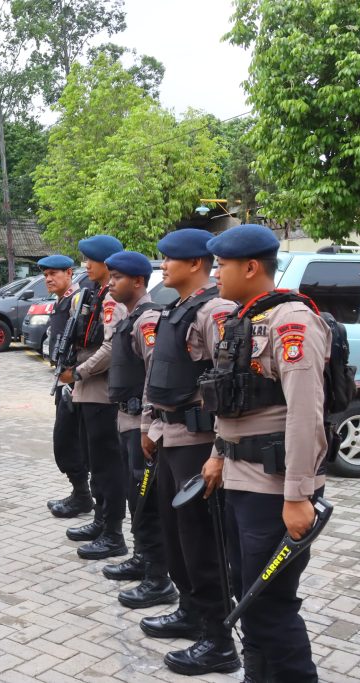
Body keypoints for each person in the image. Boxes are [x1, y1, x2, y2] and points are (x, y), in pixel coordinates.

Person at [201, 224, 329, 682]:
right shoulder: (246, 319)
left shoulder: (292, 322)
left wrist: (297, 495)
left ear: (251, 267)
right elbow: (231, 399)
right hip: (241, 480)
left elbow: (306, 413)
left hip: (274, 490)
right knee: (247, 596)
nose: (215, 273)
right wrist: (217, 452)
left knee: (270, 605)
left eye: (222, 265)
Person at [139, 228, 240, 675]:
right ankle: (190, 612)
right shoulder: (176, 308)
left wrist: (219, 450)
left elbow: (228, 385)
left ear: (196, 264)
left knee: (202, 544)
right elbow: (157, 373)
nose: (163, 266)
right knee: (178, 538)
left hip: (198, 445)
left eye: (169, 259)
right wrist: (149, 424)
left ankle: (219, 642)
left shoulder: (216, 311)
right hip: (169, 439)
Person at [100, 251, 176, 608]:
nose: (110, 283)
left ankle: (158, 579)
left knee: (147, 503)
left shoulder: (147, 319)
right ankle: (143, 559)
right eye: (110, 276)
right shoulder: (130, 317)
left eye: (117, 277)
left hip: (139, 424)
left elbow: (153, 376)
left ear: (138, 281)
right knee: (136, 498)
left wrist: (149, 424)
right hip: (126, 420)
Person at [57, 235, 127, 560]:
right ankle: (101, 521)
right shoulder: (95, 293)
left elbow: (111, 348)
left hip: (102, 391)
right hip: (88, 391)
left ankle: (113, 533)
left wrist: (79, 372)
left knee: (107, 466)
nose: (86, 265)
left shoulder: (112, 299)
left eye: (91, 260)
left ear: (107, 263)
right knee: (94, 462)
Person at [38, 254, 91, 519]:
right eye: (46, 274)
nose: (48, 279)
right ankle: (80, 493)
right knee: (67, 441)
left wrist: (76, 376)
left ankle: (83, 496)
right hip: (64, 381)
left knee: (68, 441)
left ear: (69, 273)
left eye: (54, 274)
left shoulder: (77, 301)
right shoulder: (61, 301)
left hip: (76, 383)